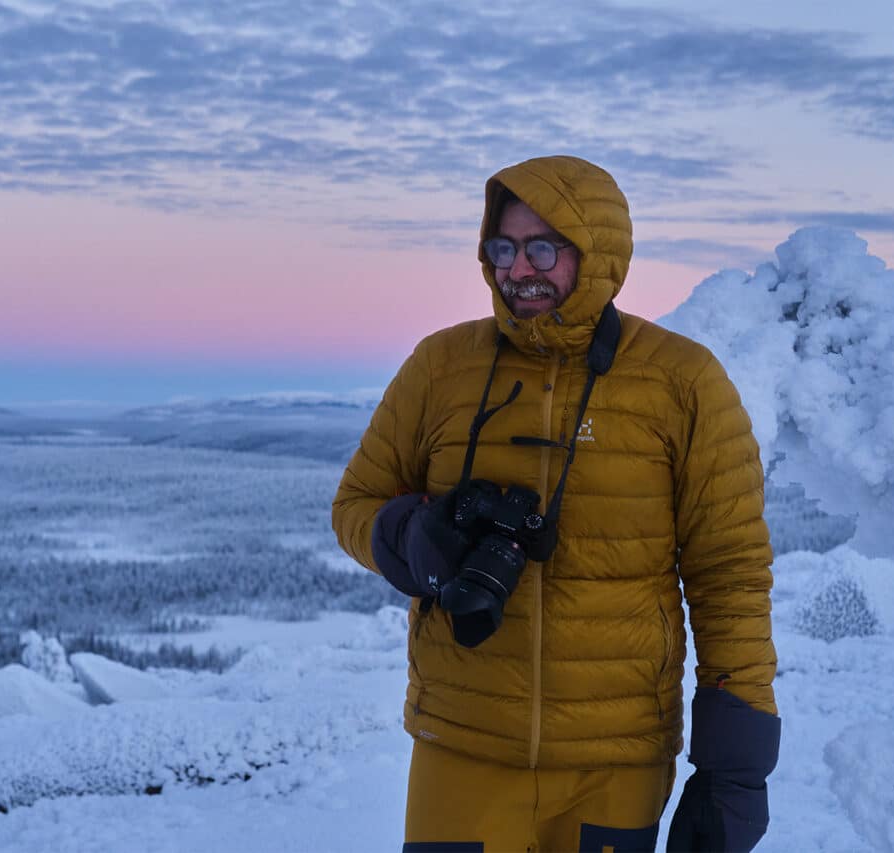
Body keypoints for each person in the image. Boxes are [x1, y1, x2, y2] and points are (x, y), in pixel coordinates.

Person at [331, 155, 780, 853]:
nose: (521, 269)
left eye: (544, 246)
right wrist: (410, 535)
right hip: (462, 741)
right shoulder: (439, 368)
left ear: (596, 252)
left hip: (614, 756)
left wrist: (735, 765)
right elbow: (356, 503)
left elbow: (731, 574)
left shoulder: (681, 382)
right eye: (504, 248)